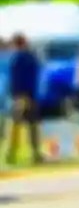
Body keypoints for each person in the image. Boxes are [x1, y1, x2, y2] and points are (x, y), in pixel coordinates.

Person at [3, 34, 43, 165]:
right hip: (31, 95)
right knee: (33, 126)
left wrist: (14, 94)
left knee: (15, 126)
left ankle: (11, 154)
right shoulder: (32, 57)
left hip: (19, 95)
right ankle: (36, 153)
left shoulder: (16, 58)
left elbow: (15, 79)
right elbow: (36, 76)